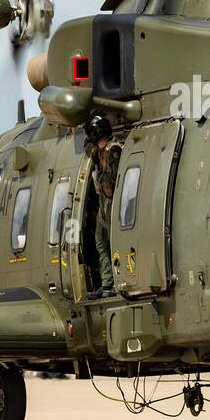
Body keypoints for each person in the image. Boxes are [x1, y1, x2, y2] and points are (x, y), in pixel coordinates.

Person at [86, 114, 122, 296]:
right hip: (103, 202)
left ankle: (118, 279)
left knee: (114, 241)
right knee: (100, 240)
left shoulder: (114, 150)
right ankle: (107, 281)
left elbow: (117, 176)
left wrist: (100, 177)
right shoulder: (101, 152)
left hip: (113, 201)